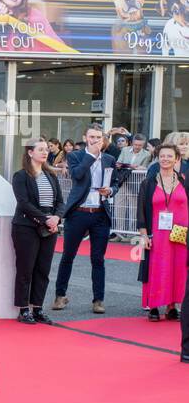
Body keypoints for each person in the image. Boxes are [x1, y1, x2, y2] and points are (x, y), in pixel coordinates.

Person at [52, 124, 129, 314]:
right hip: (78, 211)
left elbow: (115, 183)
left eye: (98, 138)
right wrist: (91, 155)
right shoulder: (76, 156)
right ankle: (60, 295)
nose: (95, 140)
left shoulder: (110, 159)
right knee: (68, 256)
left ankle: (98, 299)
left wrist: (110, 190)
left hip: (100, 213)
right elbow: (77, 175)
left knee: (98, 259)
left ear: (103, 140)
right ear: (86, 138)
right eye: (92, 137)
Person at [11, 138, 63, 325]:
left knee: (43, 269)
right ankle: (24, 309)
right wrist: (45, 219)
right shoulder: (21, 176)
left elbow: (60, 203)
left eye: (46, 149)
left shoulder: (51, 176)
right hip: (26, 227)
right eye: (40, 149)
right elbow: (24, 203)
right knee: (26, 269)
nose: (45, 152)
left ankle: (38, 308)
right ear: (30, 153)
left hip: (50, 228)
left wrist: (56, 218)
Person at [137, 144, 188, 321]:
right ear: (158, 158)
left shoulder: (184, 181)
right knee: (156, 269)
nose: (165, 159)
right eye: (162, 156)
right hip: (156, 235)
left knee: (177, 269)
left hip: (180, 235)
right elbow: (141, 211)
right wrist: (144, 235)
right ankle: (154, 305)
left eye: (169, 156)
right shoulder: (148, 183)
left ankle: (172, 305)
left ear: (177, 159)